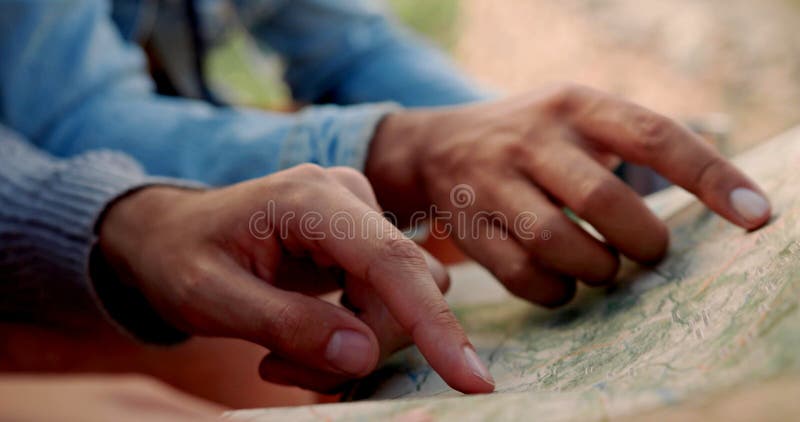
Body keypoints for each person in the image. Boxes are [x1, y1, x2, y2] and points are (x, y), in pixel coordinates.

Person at [0, 0, 772, 396]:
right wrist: (400, 146)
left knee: (451, 218)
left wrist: (527, 146)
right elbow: (65, 116)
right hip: (55, 248)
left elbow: (351, 45)